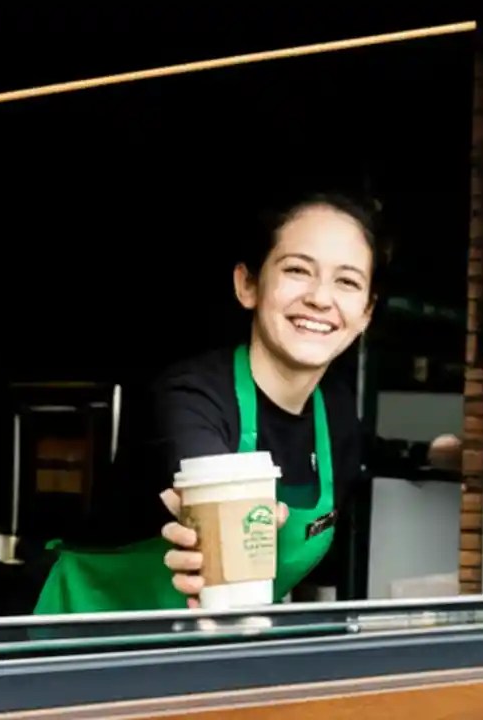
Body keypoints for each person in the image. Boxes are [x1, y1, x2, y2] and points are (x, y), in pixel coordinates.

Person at [32, 190, 387, 613]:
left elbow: (371, 452)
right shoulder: (192, 395)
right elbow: (213, 493)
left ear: (366, 312)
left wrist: (445, 455)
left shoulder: (336, 411)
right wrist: (223, 537)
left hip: (205, 646)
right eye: (297, 270)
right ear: (248, 285)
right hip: (77, 645)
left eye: (347, 281)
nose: (320, 298)